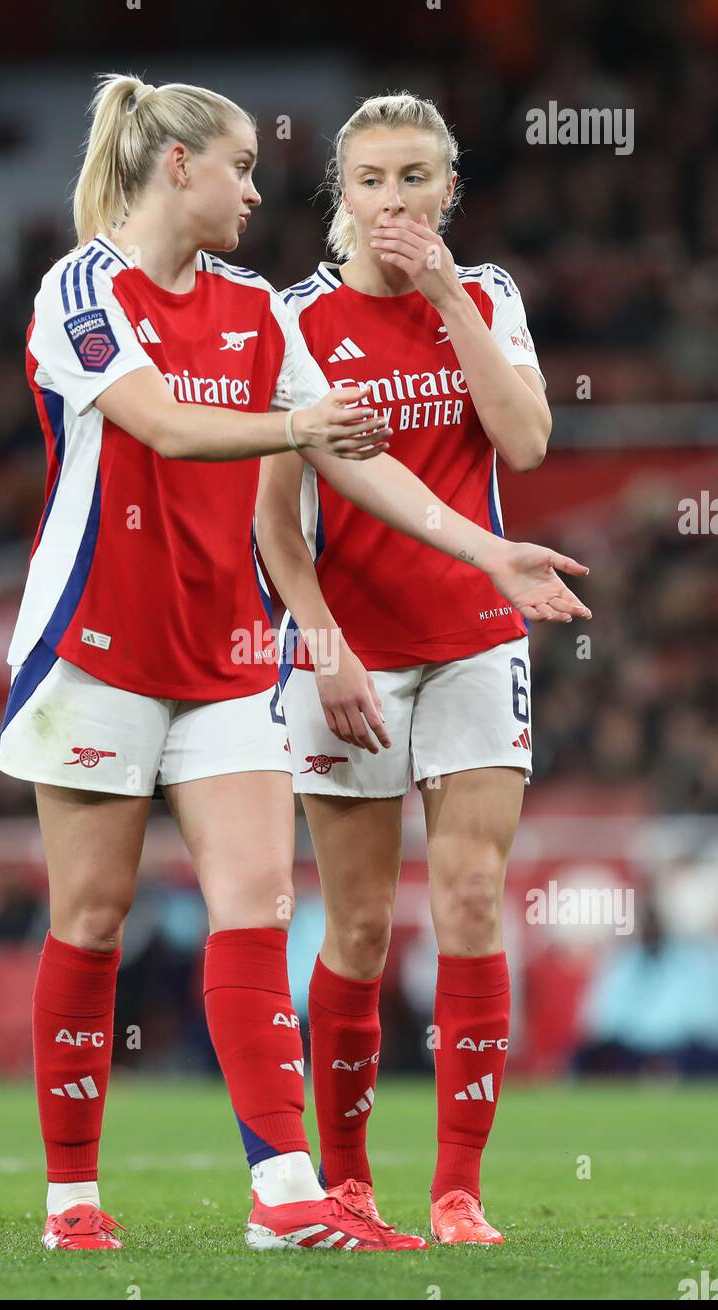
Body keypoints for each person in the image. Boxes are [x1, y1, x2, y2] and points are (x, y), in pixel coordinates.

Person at [0, 73, 590, 1253]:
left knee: (259, 912)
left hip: (223, 658)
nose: (256, 189)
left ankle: (287, 1197)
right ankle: (70, 1197)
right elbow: (161, 421)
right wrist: (294, 435)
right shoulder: (81, 287)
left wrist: (490, 552)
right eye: (240, 167)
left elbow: (362, 461)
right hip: (97, 645)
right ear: (178, 168)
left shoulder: (252, 307)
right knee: (95, 912)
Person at [256, 92, 583, 1245]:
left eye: (412, 178)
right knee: (352, 927)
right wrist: (322, 645)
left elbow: (528, 441)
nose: (389, 200)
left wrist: (444, 294)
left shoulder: (485, 295)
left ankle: (456, 1189)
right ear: (336, 197)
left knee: (470, 899)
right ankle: (345, 1183)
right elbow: (276, 525)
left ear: (448, 190)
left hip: (474, 640)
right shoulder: (292, 317)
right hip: (346, 650)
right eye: (368, 181)